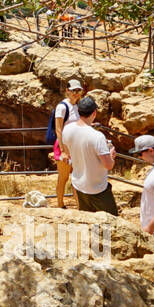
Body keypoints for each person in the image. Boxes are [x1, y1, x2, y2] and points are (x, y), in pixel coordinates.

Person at [60, 95, 118, 214]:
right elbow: (109, 166)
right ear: (94, 113)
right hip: (97, 189)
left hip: (79, 185)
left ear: (78, 111)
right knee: (110, 223)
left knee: (89, 224)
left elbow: (69, 152)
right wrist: (111, 155)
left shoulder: (67, 129)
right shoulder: (97, 137)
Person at [47, 80, 85, 209]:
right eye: (73, 90)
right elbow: (58, 129)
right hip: (64, 146)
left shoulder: (78, 106)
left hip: (75, 146)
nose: (76, 93)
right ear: (67, 91)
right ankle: (60, 204)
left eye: (78, 90)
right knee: (63, 177)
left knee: (77, 177)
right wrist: (63, 150)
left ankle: (79, 205)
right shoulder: (62, 107)